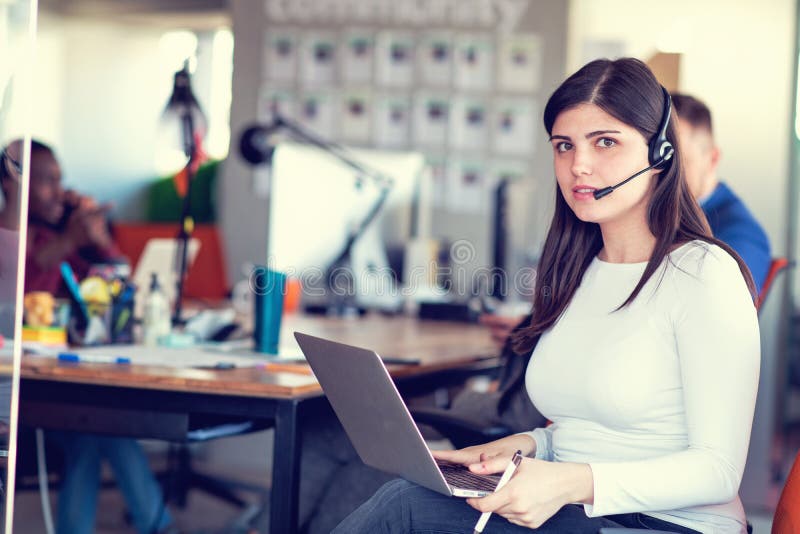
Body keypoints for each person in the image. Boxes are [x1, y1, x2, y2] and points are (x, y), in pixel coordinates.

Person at [333, 58, 760, 533]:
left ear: (659, 153)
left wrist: (567, 483)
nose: (579, 164)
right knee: (408, 499)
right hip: (587, 511)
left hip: (667, 524)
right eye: (564, 145)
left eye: (605, 142)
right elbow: (597, 432)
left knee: (405, 510)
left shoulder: (703, 274)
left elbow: (718, 472)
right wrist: (530, 445)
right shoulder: (580, 270)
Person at [0, 140, 177, 534]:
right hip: (19, 392)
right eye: (45, 180)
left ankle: (157, 527)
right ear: (11, 181)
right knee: (97, 431)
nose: (57, 191)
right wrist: (69, 242)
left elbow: (118, 286)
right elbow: (21, 294)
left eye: (59, 180)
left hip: (65, 384)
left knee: (97, 431)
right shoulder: (15, 236)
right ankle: (160, 528)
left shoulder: (58, 235)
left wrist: (97, 241)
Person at [671, 92, 771, 293]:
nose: (666, 175)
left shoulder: (742, 235)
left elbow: (726, 311)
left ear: (713, 159)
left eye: (681, 163)